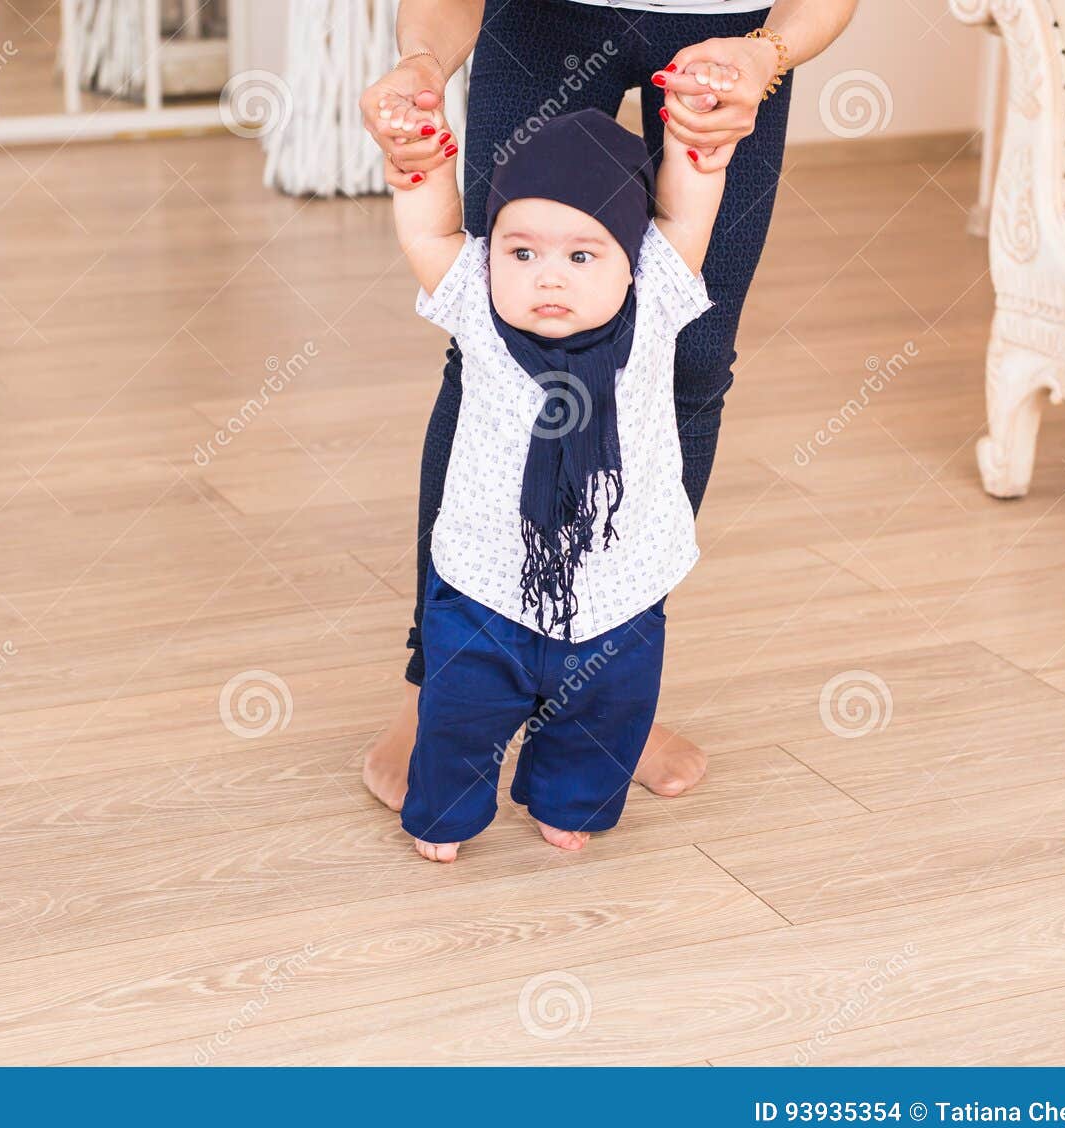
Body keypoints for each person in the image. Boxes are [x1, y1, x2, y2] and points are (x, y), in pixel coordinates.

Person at [359, 0, 859, 812]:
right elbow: (435, 237)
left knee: (690, 356)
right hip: (545, 17)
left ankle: (606, 687)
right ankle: (438, 684)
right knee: (491, 341)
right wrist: (422, 62)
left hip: (730, 30)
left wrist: (768, 52)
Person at [391, 106, 732, 861]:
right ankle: (446, 811)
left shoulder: (655, 303)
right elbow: (429, 235)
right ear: (490, 255)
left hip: (620, 588)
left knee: (607, 713)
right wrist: (421, 172)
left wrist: (694, 148)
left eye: (582, 255)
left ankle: (568, 800)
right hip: (485, 584)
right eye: (521, 252)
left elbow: (686, 213)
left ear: (632, 260)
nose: (549, 276)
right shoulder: (477, 308)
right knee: (459, 711)